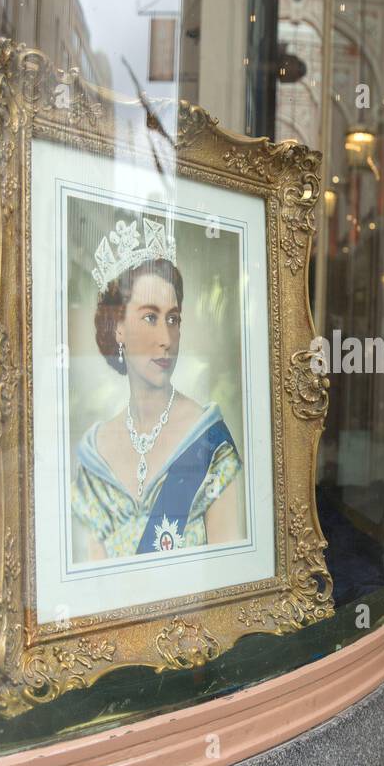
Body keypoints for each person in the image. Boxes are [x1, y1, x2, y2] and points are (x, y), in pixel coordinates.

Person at [72, 216, 243, 560]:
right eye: (150, 317)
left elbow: (231, 581)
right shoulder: (95, 456)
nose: (166, 339)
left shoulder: (211, 443)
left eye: (173, 319)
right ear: (117, 327)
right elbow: (91, 588)